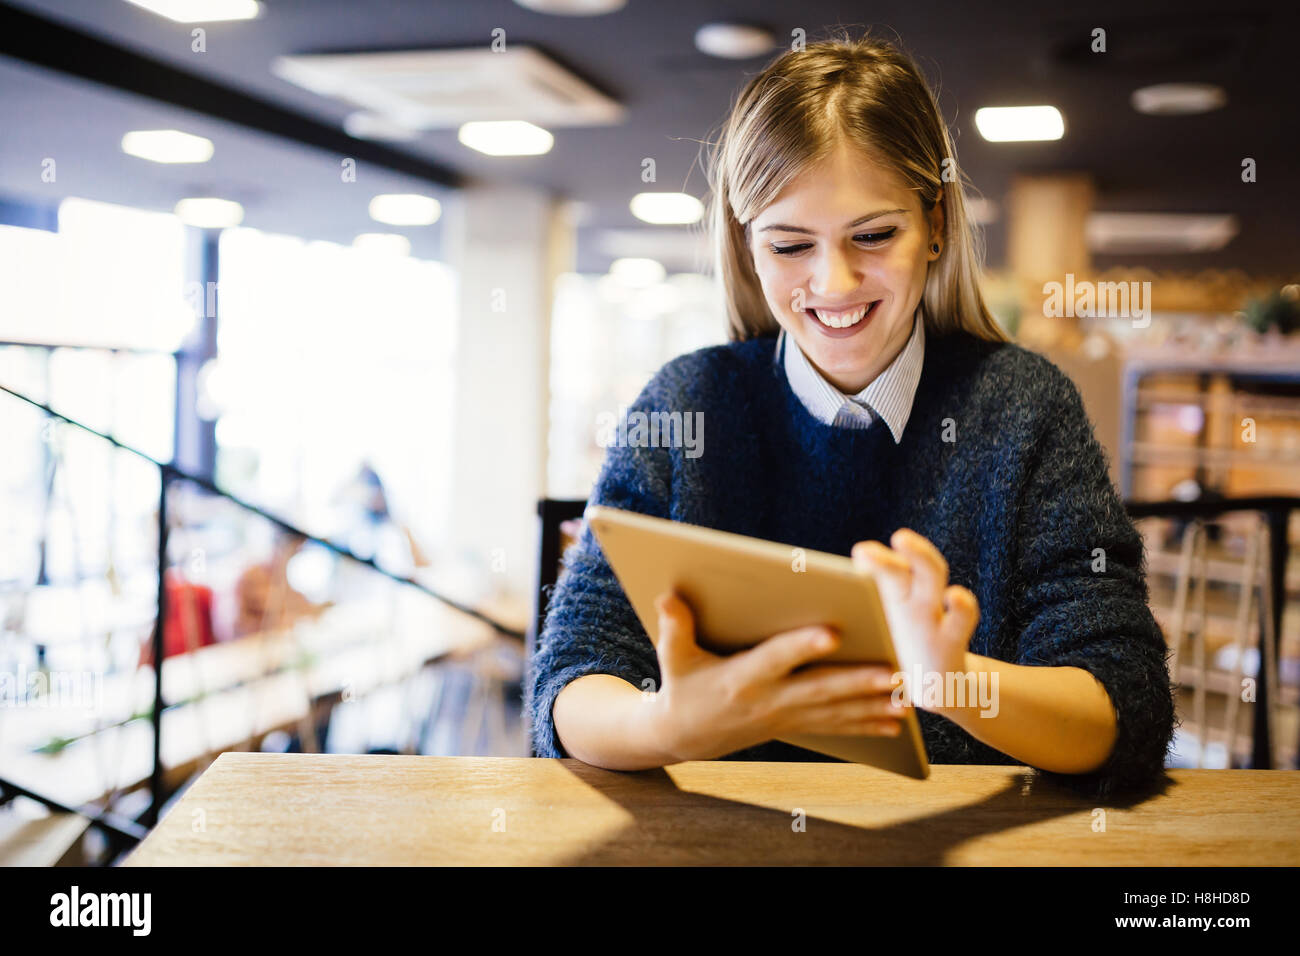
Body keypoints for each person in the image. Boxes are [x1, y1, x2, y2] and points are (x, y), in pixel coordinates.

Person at [526, 32, 1179, 800]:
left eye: (873, 235)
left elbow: (1122, 706)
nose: (833, 283)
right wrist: (669, 724)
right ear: (746, 246)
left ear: (935, 223)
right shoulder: (687, 402)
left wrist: (956, 683)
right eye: (790, 244)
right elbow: (568, 681)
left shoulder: (1023, 408)